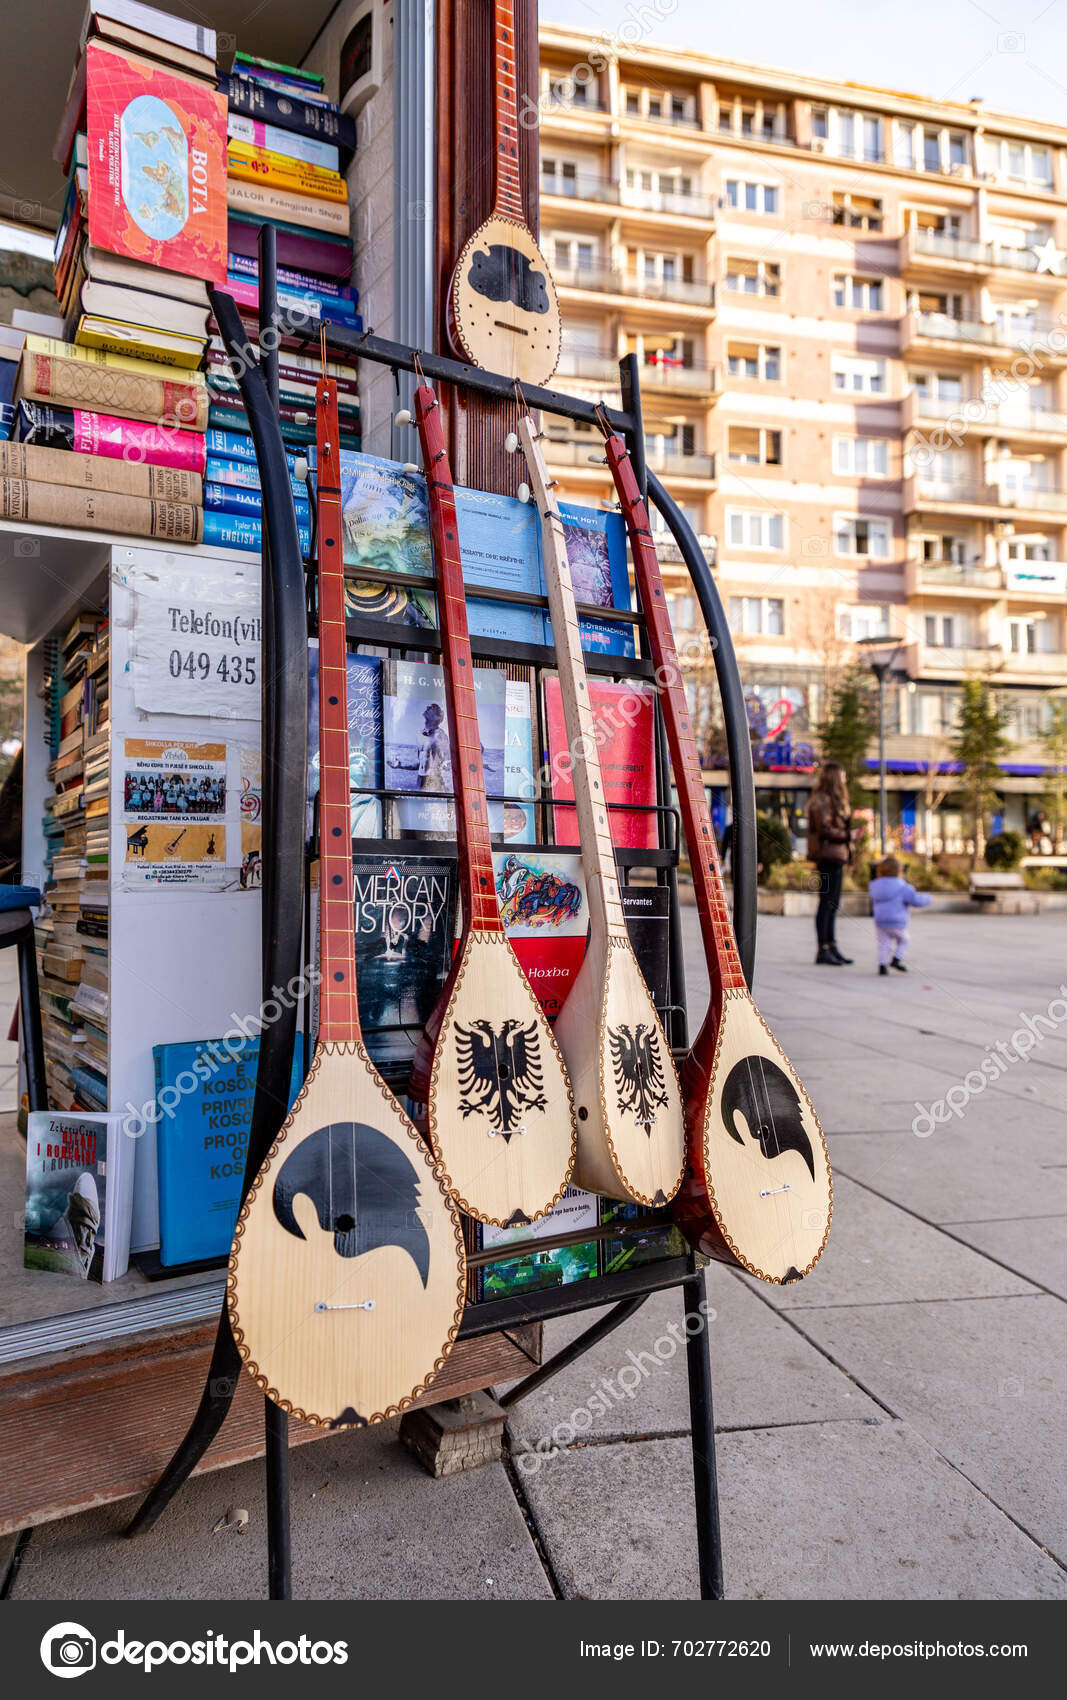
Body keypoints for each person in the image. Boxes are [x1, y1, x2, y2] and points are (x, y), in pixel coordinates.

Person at [807, 761, 854, 965]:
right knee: (826, 904)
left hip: (835, 856)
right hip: (827, 856)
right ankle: (823, 949)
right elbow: (824, 829)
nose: (845, 779)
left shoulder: (830, 800)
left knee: (832, 904)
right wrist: (847, 835)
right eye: (842, 775)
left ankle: (831, 945)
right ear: (835, 777)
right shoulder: (822, 800)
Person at [868, 855, 931, 976]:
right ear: (900, 871)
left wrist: (877, 864)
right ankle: (896, 959)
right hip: (897, 921)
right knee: (904, 941)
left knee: (883, 944)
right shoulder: (903, 886)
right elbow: (915, 900)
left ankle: (882, 966)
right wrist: (928, 899)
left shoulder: (875, 886)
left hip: (880, 922)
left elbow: (872, 874)